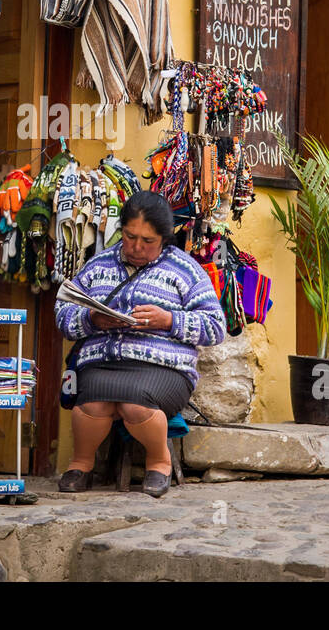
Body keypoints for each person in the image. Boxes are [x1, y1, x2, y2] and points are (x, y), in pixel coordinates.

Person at [54, 191, 226, 497]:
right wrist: (93, 320)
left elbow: (215, 327)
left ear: (163, 238)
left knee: (135, 402)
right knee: (92, 400)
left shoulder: (185, 270)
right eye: (130, 237)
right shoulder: (98, 265)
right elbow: (63, 313)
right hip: (103, 361)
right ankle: (80, 463)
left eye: (147, 241)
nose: (135, 247)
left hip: (164, 369)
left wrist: (168, 320)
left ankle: (158, 462)